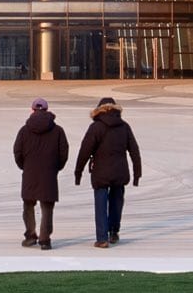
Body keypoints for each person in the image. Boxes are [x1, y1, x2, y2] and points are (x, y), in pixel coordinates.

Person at [78, 95, 144, 246]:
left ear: (98, 110)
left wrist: (78, 172)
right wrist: (137, 173)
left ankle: (102, 239)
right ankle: (114, 232)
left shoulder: (95, 127)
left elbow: (85, 150)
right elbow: (134, 150)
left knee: (100, 205)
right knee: (117, 202)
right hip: (120, 171)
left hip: (100, 172)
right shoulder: (124, 126)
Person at [10, 97, 69, 248]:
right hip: (49, 174)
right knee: (47, 207)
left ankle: (30, 236)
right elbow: (64, 153)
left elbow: (17, 152)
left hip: (30, 172)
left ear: (32, 110)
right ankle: (45, 239)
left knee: (28, 205)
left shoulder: (24, 130)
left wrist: (24, 166)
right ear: (47, 110)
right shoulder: (58, 131)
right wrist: (56, 167)